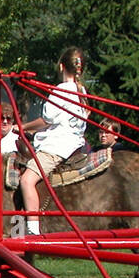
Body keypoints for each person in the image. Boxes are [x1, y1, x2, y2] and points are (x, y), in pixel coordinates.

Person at [18, 46, 92, 237]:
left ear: (61, 67)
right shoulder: (81, 91)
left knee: (26, 180)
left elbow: (47, 120)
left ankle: (32, 229)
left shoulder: (61, 90)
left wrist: (22, 127)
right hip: (75, 143)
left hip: (58, 146)